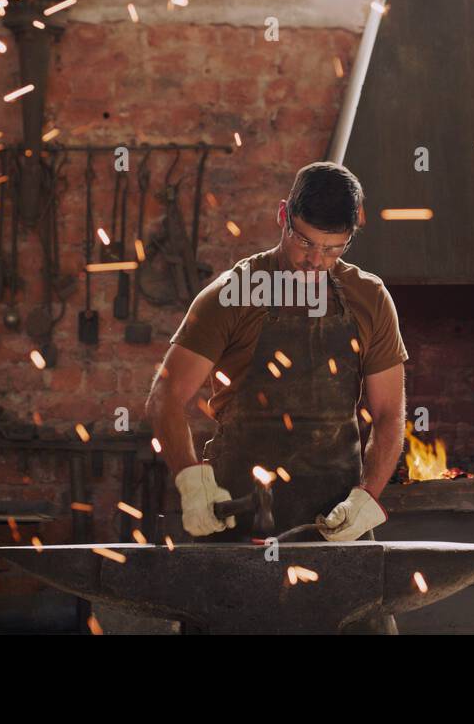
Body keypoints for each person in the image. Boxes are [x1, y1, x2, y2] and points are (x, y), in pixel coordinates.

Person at [145, 162, 408, 633]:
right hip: (239, 520)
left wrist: (369, 496)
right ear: (283, 215)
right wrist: (190, 480)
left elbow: (389, 415)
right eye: (304, 241)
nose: (314, 261)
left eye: (332, 249)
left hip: (334, 522)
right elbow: (165, 395)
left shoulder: (369, 298)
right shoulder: (231, 295)